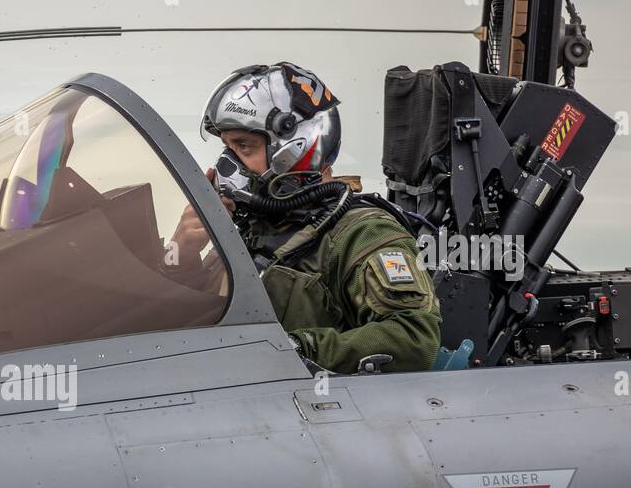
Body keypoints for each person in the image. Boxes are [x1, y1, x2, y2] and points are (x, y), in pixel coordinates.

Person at [169, 62, 441, 373]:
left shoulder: (362, 233)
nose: (225, 164)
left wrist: (292, 350)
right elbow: (194, 321)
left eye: (244, 147)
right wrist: (182, 252)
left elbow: (415, 338)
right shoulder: (257, 227)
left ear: (295, 150)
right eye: (227, 147)